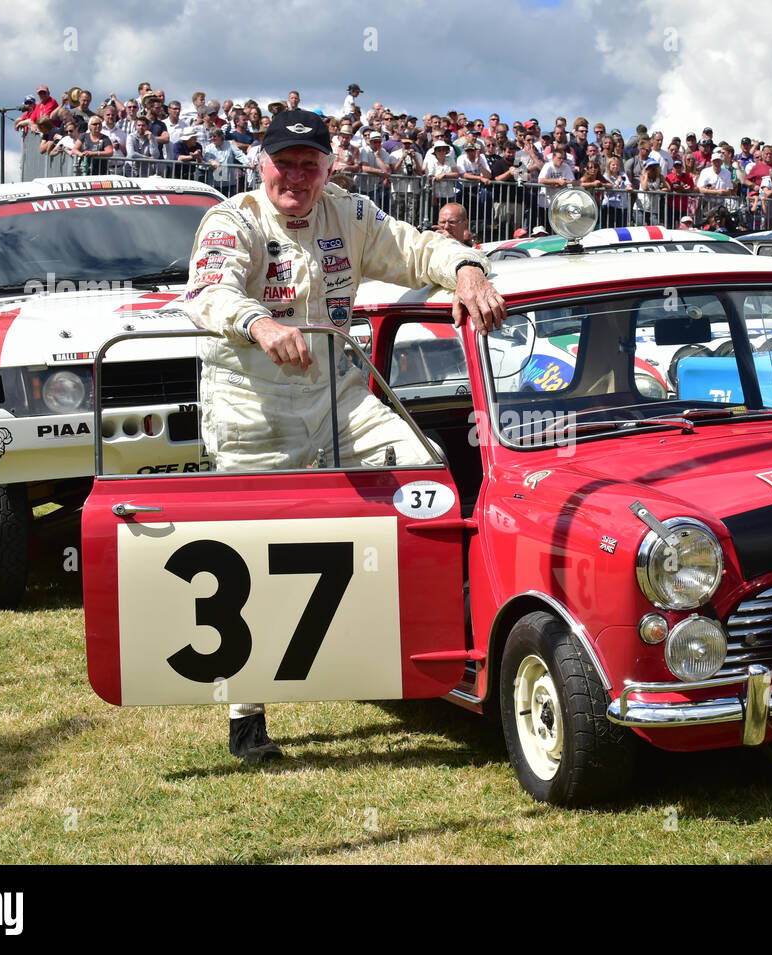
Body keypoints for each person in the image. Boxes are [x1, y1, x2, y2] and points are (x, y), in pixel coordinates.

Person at [183, 110, 505, 763]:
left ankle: (419, 649)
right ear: (260, 162)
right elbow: (207, 294)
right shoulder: (231, 219)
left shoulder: (350, 214)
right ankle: (247, 716)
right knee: (250, 554)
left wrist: (468, 265)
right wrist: (259, 324)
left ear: (330, 167)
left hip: (338, 396)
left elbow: (418, 247)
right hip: (253, 408)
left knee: (424, 474)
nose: (296, 176)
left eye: (310, 163)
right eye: (285, 162)